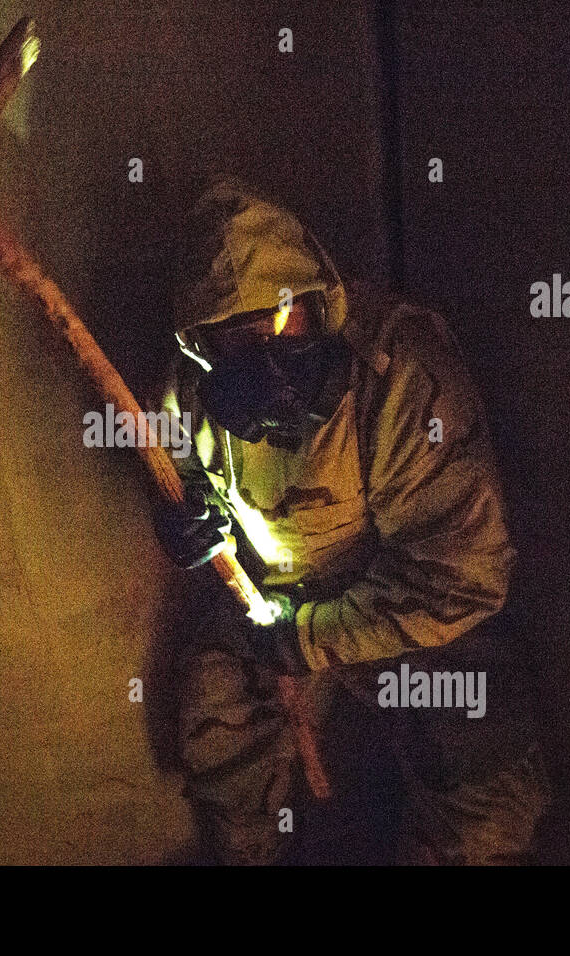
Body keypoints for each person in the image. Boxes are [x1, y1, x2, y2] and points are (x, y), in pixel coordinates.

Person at [152, 177, 549, 865]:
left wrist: (311, 640)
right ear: (203, 348)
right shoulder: (192, 385)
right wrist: (187, 516)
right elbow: (185, 470)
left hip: (406, 615)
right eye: (234, 348)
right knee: (217, 702)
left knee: (481, 789)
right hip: (279, 605)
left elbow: (463, 581)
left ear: (317, 300)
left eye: (276, 326)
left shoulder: (403, 377)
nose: (266, 369)